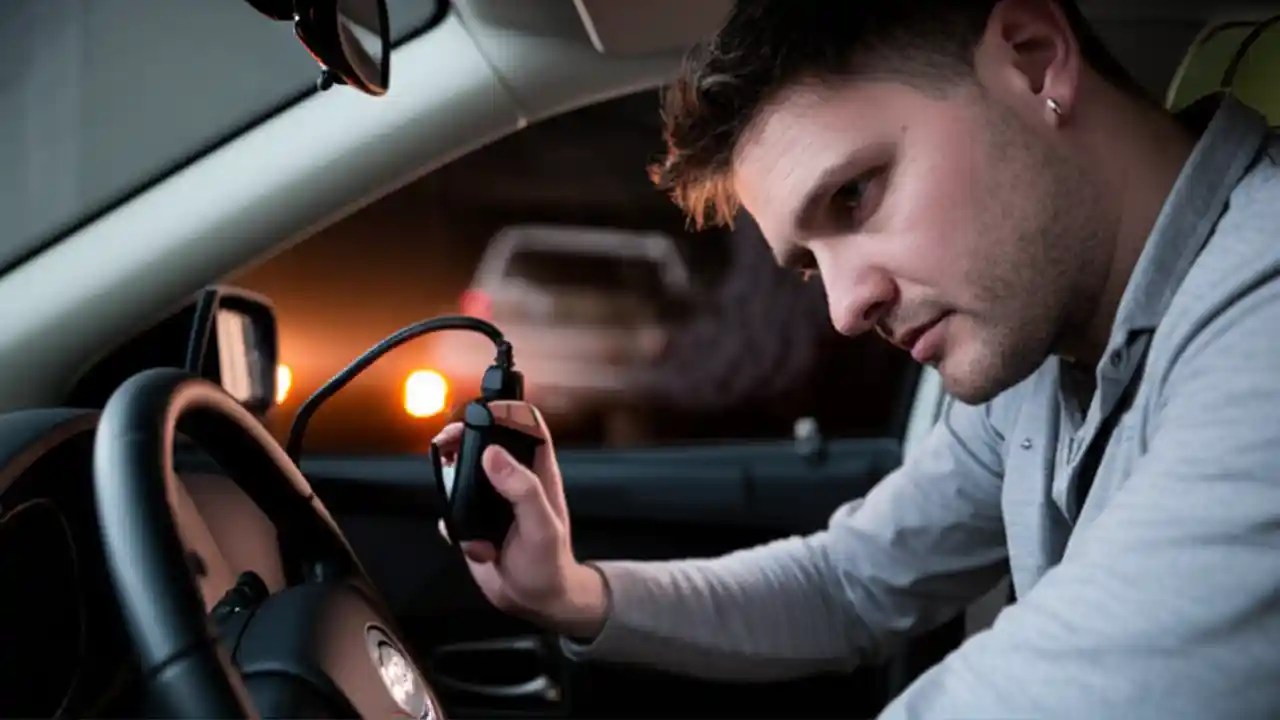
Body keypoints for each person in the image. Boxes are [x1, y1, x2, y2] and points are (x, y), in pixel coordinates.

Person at [434, 0, 1280, 716]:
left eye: (856, 194)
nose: (844, 309)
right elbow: (850, 582)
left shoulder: (1262, 316)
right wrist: (576, 595)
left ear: (1033, 61)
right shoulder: (1044, 359)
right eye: (810, 265)